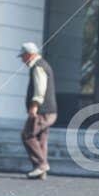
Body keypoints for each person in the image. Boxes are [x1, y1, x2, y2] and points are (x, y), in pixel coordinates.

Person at [18, 41, 57, 179]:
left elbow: (40, 89)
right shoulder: (44, 65)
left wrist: (34, 106)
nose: (22, 59)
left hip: (42, 111)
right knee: (41, 139)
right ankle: (41, 171)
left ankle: (41, 165)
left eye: (23, 56)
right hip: (50, 111)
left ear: (29, 54)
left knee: (27, 134)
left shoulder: (38, 67)